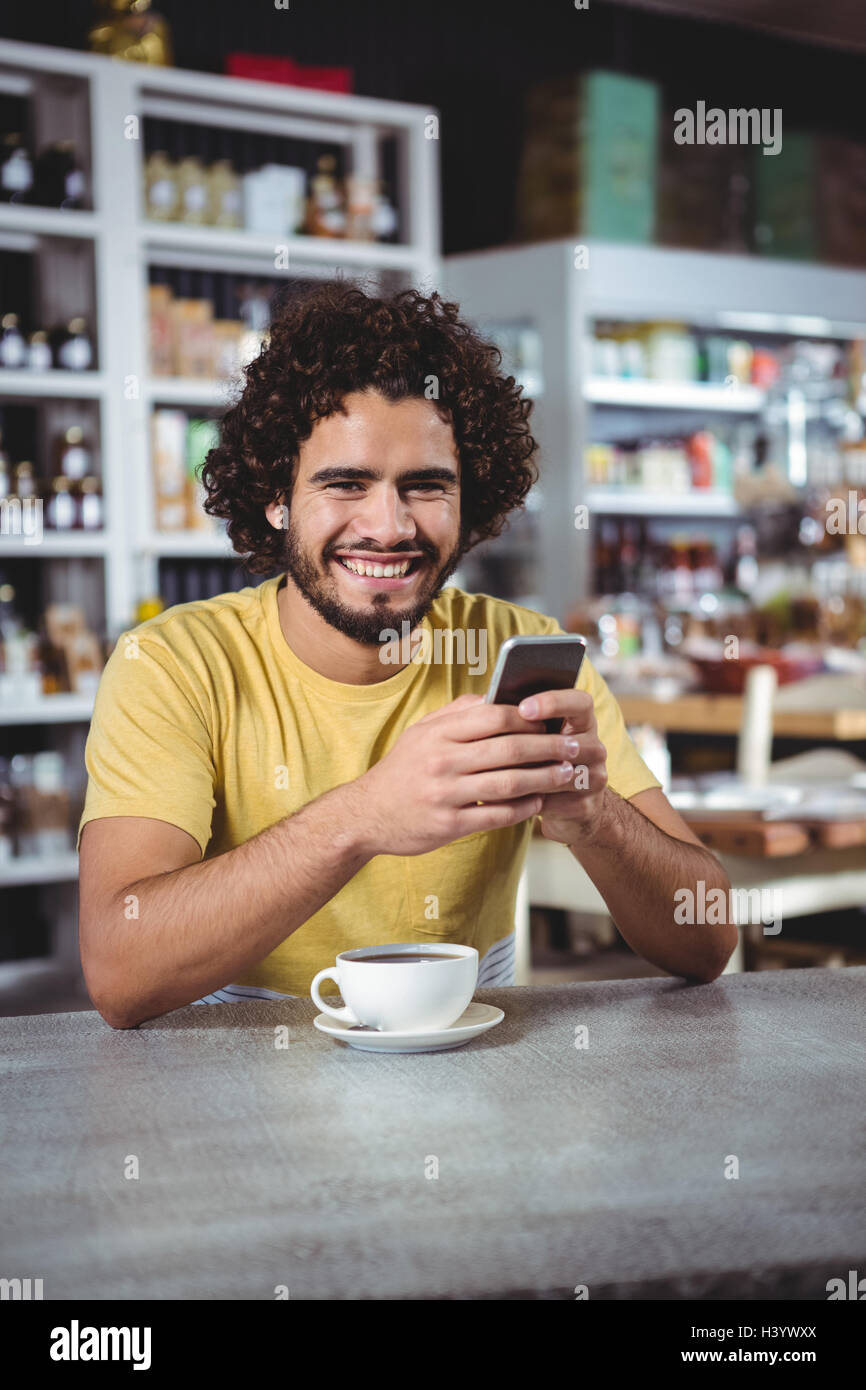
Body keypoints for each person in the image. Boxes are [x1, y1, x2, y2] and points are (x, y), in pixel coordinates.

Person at [78, 280, 735, 1029]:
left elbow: (709, 940)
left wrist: (596, 817)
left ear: (471, 499)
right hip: (228, 1090)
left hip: (469, 1080)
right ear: (276, 497)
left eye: (425, 486)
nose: (388, 527)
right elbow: (118, 971)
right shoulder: (171, 665)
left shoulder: (517, 651)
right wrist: (363, 817)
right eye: (345, 484)